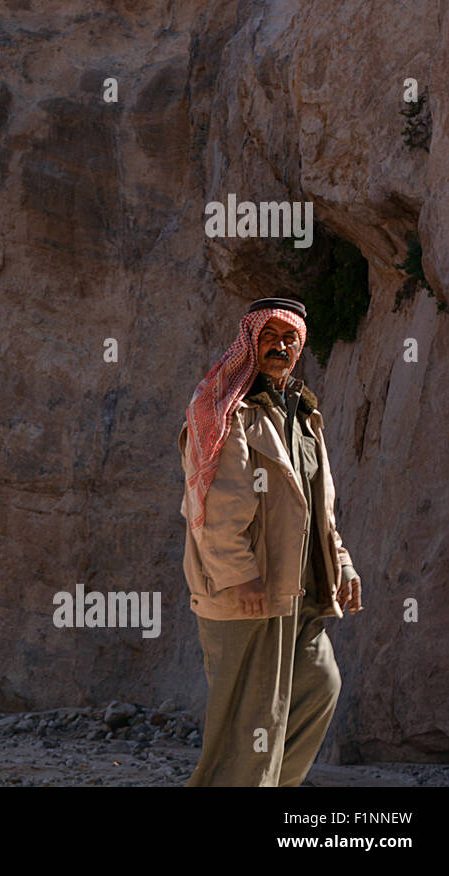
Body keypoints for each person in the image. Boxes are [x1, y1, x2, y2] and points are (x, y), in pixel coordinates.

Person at [177, 297, 362, 786]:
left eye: (289, 339)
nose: (280, 346)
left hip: (298, 592)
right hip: (247, 593)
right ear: (249, 342)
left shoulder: (303, 414)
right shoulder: (225, 412)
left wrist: (341, 565)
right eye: (269, 337)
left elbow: (320, 510)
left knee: (319, 685)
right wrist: (242, 575)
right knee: (249, 728)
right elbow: (215, 512)